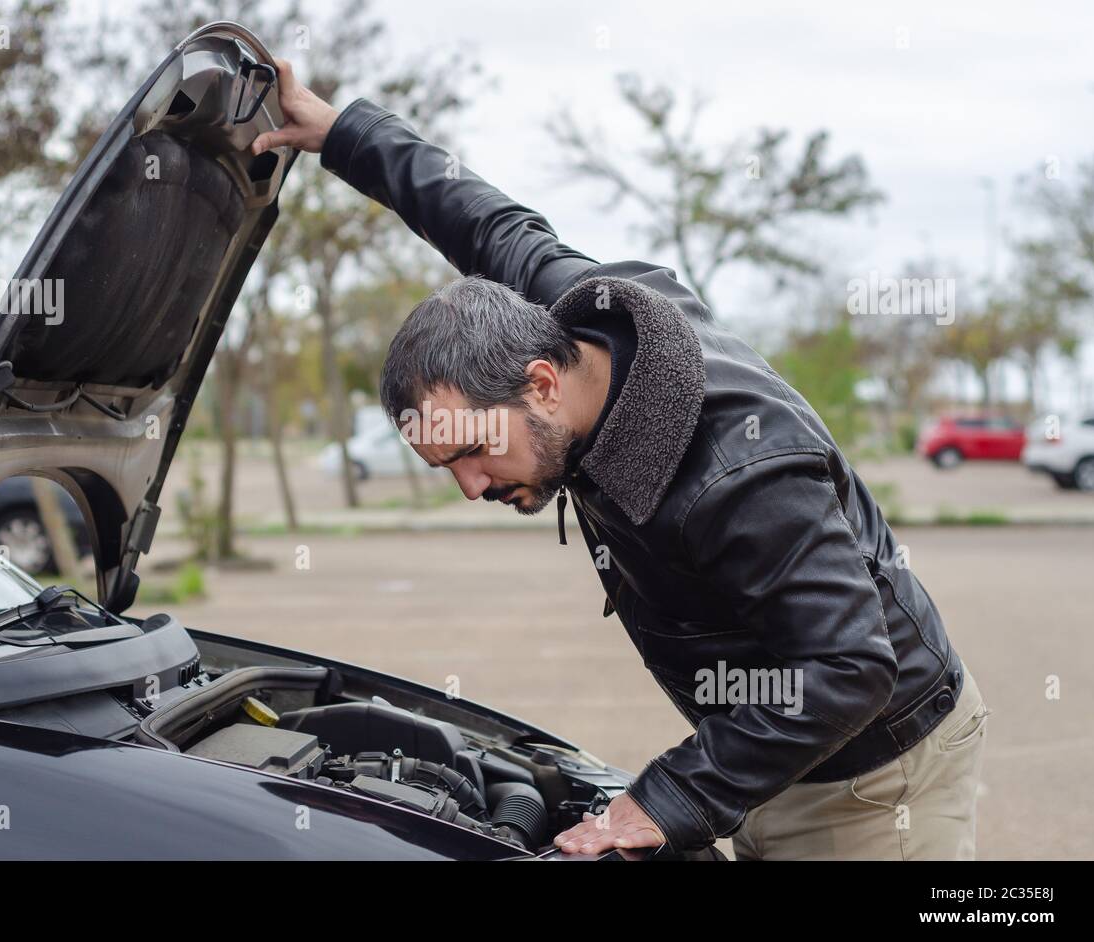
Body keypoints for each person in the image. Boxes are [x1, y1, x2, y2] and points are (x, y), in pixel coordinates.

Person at [251, 60, 989, 860]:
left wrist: (668, 797)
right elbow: (479, 219)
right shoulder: (568, 318)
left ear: (539, 383)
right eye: (444, 467)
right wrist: (342, 132)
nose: (468, 486)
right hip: (774, 753)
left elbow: (849, 663)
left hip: (876, 776)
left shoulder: (738, 470)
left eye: (471, 451)